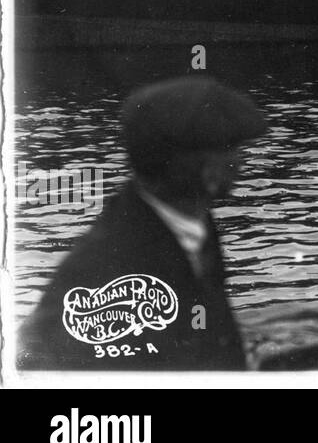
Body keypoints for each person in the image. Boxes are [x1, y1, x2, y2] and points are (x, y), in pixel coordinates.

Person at [17, 76, 265, 371]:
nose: (239, 161)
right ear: (198, 167)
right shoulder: (105, 261)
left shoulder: (192, 221)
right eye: (228, 150)